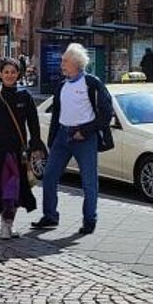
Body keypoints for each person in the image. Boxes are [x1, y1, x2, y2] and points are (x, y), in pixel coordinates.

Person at [31, 43, 113, 235]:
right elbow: (57, 114)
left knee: (89, 182)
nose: (62, 64)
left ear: (76, 63)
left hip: (85, 138)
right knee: (49, 176)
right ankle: (50, 216)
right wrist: (52, 140)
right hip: (62, 136)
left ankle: (89, 220)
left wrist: (85, 131)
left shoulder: (92, 83)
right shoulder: (61, 86)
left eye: (65, 61)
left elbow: (106, 113)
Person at [0, 58, 44, 239]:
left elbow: (34, 124)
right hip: (1, 151)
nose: (9, 75)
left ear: (18, 74)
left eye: (13, 72)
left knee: (17, 188)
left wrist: (36, 146)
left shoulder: (25, 97)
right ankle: (5, 224)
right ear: (0, 75)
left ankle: (8, 224)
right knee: (6, 187)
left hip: (20, 151)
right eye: (6, 72)